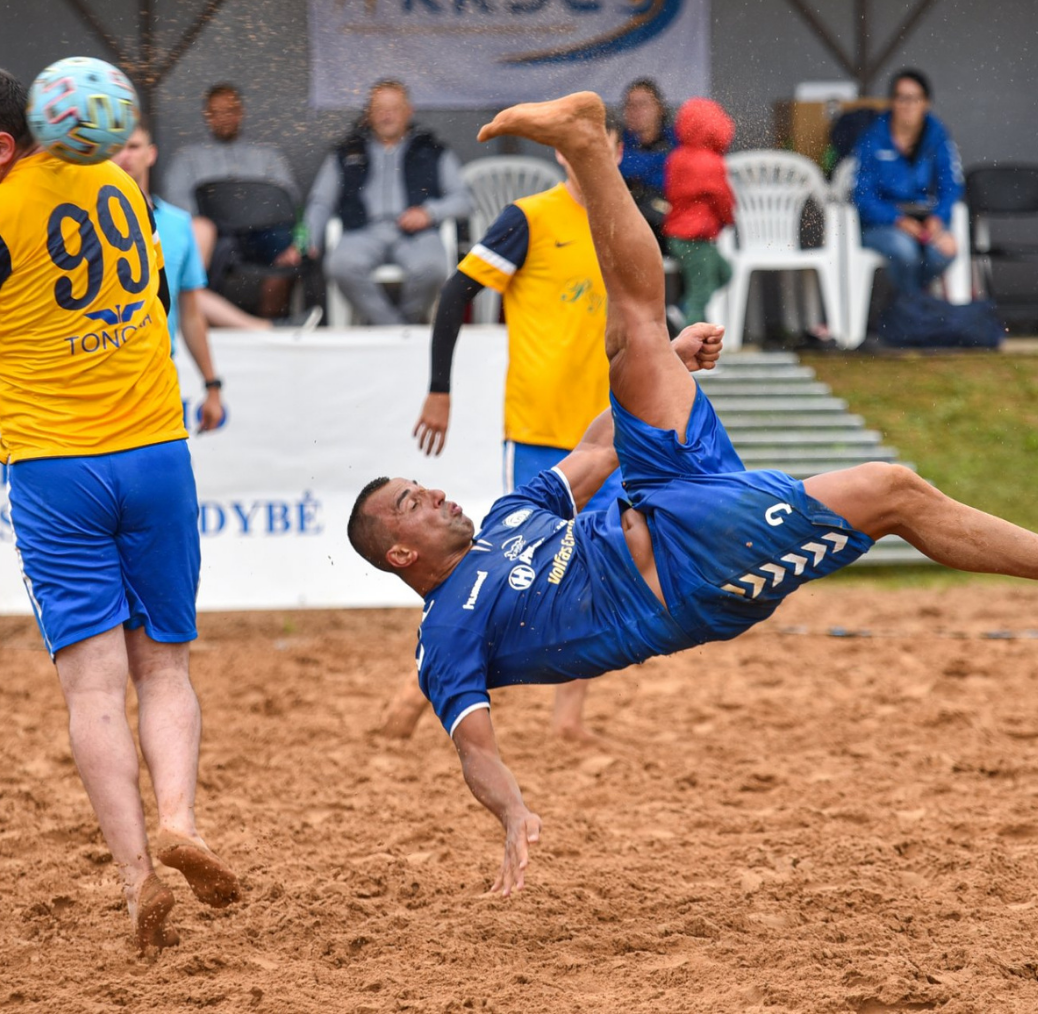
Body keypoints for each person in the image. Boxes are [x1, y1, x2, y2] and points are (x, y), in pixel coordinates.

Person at [347, 91, 1038, 897]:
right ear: (400, 552)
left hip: (670, 490)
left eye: (423, 486)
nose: (435, 495)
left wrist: (664, 360)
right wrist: (510, 814)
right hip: (690, 571)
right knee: (892, 490)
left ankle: (586, 144)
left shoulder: (507, 518)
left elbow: (599, 447)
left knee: (635, 328)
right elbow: (477, 751)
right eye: (413, 504)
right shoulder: (447, 631)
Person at [0, 66, 239, 953]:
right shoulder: (121, 186)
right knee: (165, 668)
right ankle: (183, 819)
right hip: (157, 453)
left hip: (58, 470)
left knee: (91, 687)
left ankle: (136, 879)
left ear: (4, 143)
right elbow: (149, 306)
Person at [400, 117, 627, 743]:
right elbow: (454, 294)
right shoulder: (528, 218)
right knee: (503, 571)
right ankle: (419, 686)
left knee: (595, 574)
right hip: (538, 430)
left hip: (609, 437)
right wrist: (440, 389)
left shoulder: (625, 222)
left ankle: (570, 720)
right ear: (561, 155)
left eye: (602, 143)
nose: (591, 154)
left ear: (616, 150)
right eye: (579, 145)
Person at [303, 79, 472, 325]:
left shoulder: (431, 150)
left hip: (417, 234)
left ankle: (397, 327)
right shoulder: (347, 151)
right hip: (362, 231)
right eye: (379, 109)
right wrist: (308, 240)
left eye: (394, 108)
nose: (387, 116)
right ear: (368, 114)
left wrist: (429, 212)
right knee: (341, 265)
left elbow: (464, 201)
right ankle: (396, 330)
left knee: (433, 266)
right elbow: (321, 202)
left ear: (408, 111)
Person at [853, 69, 1000, 348]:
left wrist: (937, 220)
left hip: (923, 220)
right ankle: (913, 317)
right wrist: (897, 219)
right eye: (900, 98)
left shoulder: (937, 135)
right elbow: (862, 195)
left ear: (926, 103)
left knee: (944, 251)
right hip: (882, 223)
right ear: (891, 102)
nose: (907, 106)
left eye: (914, 99)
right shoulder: (873, 137)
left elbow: (950, 186)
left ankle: (904, 313)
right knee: (904, 250)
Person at [112, 118, 224, 431]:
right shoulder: (80, 221)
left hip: (157, 376)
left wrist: (212, 385)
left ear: (151, 153)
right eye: (116, 147)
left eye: (133, 146)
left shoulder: (178, 224)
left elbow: (190, 313)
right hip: (95, 376)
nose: (125, 156)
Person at [163, 82, 302, 318]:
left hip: (261, 235)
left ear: (240, 113)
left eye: (229, 111)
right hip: (215, 236)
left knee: (285, 248)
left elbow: (289, 201)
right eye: (215, 113)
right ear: (206, 115)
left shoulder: (268, 155)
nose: (223, 118)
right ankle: (206, 321)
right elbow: (176, 206)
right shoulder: (187, 158)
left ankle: (270, 323)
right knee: (198, 244)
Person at [662, 97, 735, 325]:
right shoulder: (712, 163)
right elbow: (723, 199)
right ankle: (684, 327)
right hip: (695, 237)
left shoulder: (677, 158)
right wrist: (729, 220)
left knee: (723, 272)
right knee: (700, 292)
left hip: (677, 235)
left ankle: (684, 314)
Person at [618, 78, 676, 247]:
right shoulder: (619, 139)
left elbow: (674, 178)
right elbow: (619, 167)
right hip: (628, 221)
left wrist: (639, 169)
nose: (635, 111)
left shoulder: (674, 138)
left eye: (642, 104)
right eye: (629, 105)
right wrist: (661, 161)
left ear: (659, 108)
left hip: (665, 221)